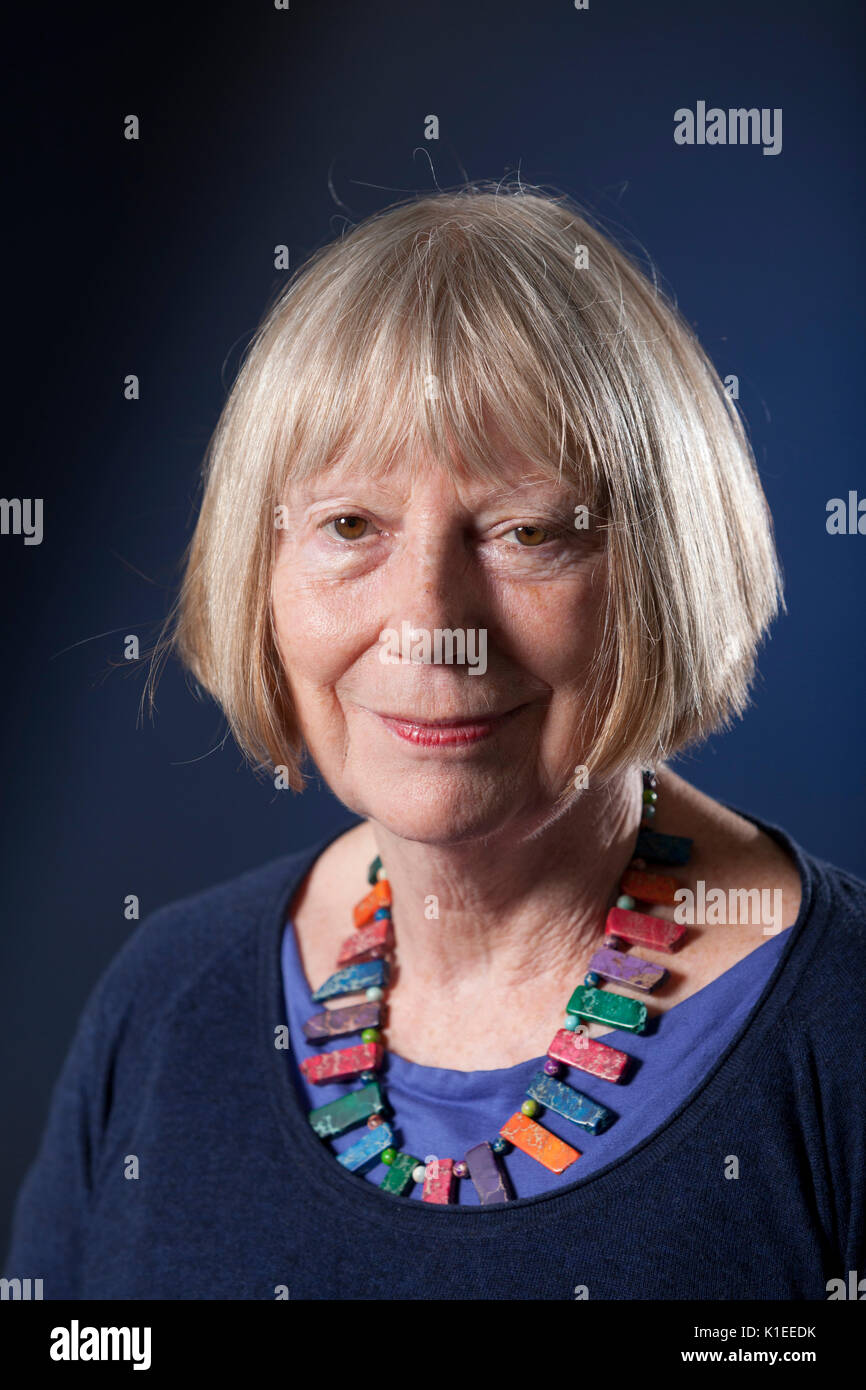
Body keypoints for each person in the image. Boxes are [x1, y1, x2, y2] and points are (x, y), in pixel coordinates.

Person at [5, 183, 864, 1299]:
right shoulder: (165, 996)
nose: (431, 624)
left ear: (662, 568)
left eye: (524, 531)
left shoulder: (837, 1036)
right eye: (350, 525)